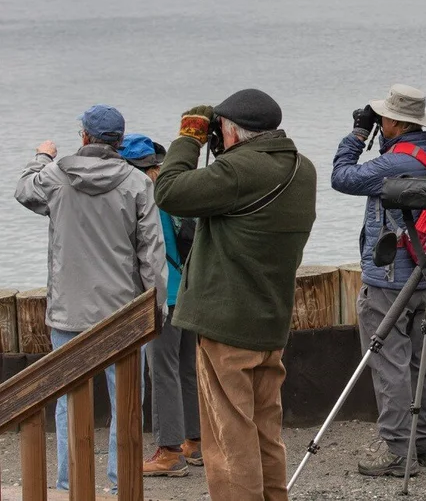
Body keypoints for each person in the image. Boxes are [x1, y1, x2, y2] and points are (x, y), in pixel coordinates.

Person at [154, 89, 317, 501]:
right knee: (265, 433)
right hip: (270, 320)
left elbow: (168, 191)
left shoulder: (238, 171)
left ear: (231, 130)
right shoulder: (302, 168)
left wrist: (189, 138)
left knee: (229, 441)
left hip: (226, 326)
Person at [14, 105, 165, 494]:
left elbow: (23, 191)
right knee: (126, 402)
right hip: (123, 313)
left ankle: (69, 485)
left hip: (68, 309)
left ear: (84, 137)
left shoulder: (55, 176)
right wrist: (155, 308)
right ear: (119, 140)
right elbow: (151, 253)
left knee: (67, 400)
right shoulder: (137, 183)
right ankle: (120, 485)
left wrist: (41, 157)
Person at [330, 84, 426, 477]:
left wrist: (358, 134)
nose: (379, 121)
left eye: (383, 117)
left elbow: (342, 177)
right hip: (424, 272)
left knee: (388, 364)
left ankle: (399, 450)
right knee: (421, 361)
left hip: (387, 280)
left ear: (395, 122)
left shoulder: (392, 164)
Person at [118, 134, 202, 477]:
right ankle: (195, 442)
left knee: (163, 372)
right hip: (189, 292)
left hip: (163, 296)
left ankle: (169, 451)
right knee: (187, 369)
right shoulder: (173, 193)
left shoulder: (140, 197)